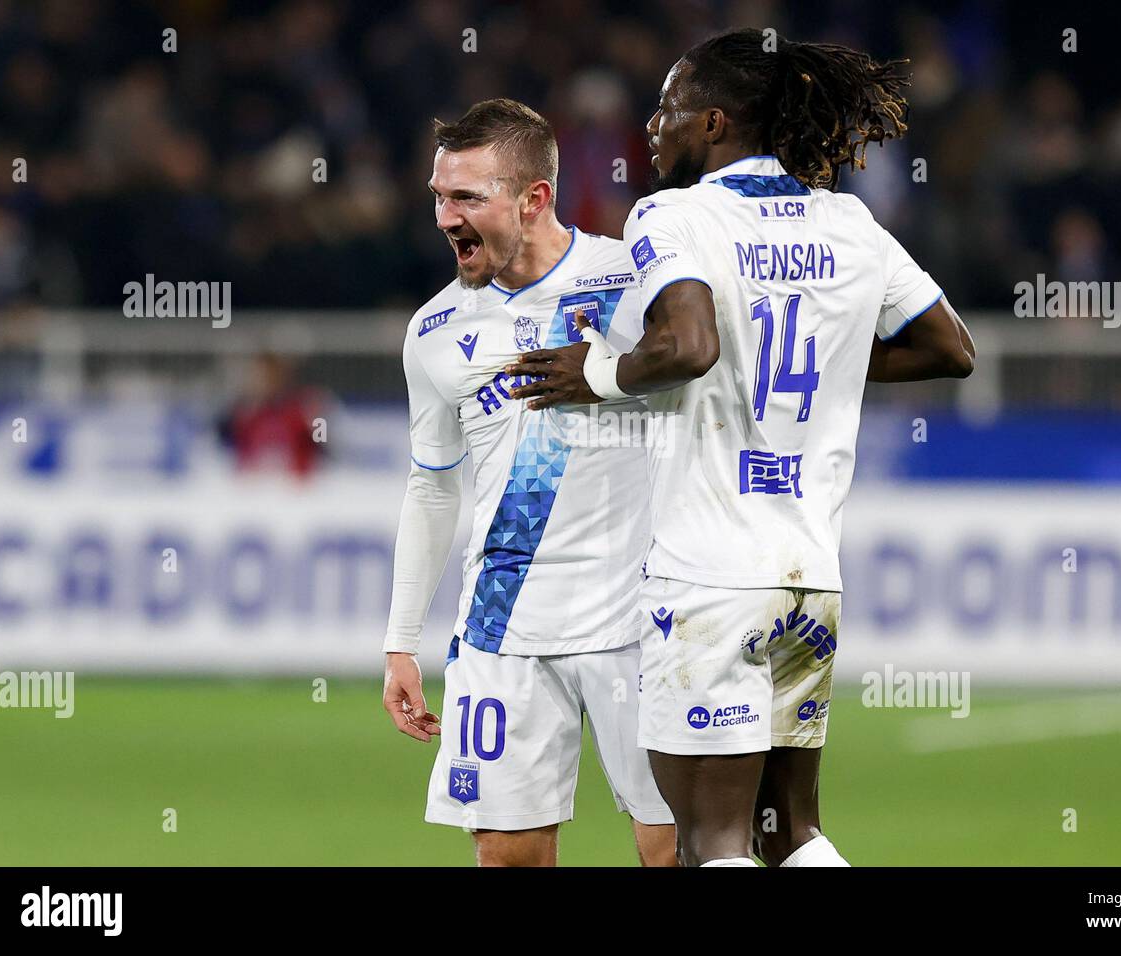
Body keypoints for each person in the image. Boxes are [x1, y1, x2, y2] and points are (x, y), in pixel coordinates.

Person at [506, 30, 976, 867]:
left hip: (708, 576)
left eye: (669, 107)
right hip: (809, 576)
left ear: (715, 122)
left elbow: (688, 346)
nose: (652, 126)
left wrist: (598, 373)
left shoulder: (675, 214)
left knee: (710, 841)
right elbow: (951, 348)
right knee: (793, 835)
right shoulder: (847, 220)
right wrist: (828, 365)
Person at [380, 98, 675, 867]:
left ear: (534, 197)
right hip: (503, 628)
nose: (445, 216)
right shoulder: (434, 331)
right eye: (439, 196)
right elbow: (433, 484)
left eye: (467, 197)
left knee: (678, 849)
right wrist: (400, 642)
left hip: (643, 616)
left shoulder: (633, 281)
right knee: (508, 857)